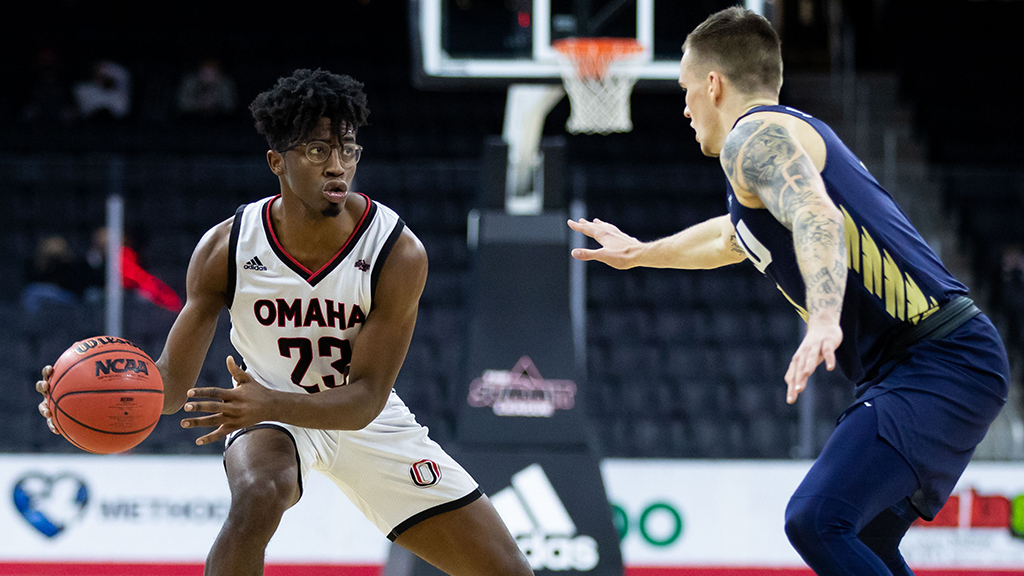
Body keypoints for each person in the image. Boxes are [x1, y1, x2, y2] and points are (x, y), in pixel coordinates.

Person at [37, 68, 531, 576]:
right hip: (269, 415)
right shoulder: (226, 248)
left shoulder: (396, 251)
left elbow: (364, 400)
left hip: (357, 415)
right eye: (318, 151)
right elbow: (168, 386)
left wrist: (264, 401)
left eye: (348, 150)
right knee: (258, 492)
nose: (337, 166)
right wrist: (78, 400)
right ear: (277, 161)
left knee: (508, 572)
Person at [567, 7, 1008, 576]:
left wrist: (824, 317)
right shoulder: (770, 148)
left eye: (684, 89)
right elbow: (734, 238)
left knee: (815, 519)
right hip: (925, 362)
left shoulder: (754, 136)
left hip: (938, 357)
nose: (683, 106)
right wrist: (642, 252)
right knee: (862, 538)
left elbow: (814, 213)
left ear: (713, 83)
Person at [176, 58, 238, 123]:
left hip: (220, 121)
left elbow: (231, 105)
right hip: (192, 121)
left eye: (212, 74)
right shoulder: (190, 82)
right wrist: (198, 104)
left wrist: (215, 102)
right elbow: (181, 103)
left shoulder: (225, 83)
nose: (208, 77)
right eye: (205, 73)